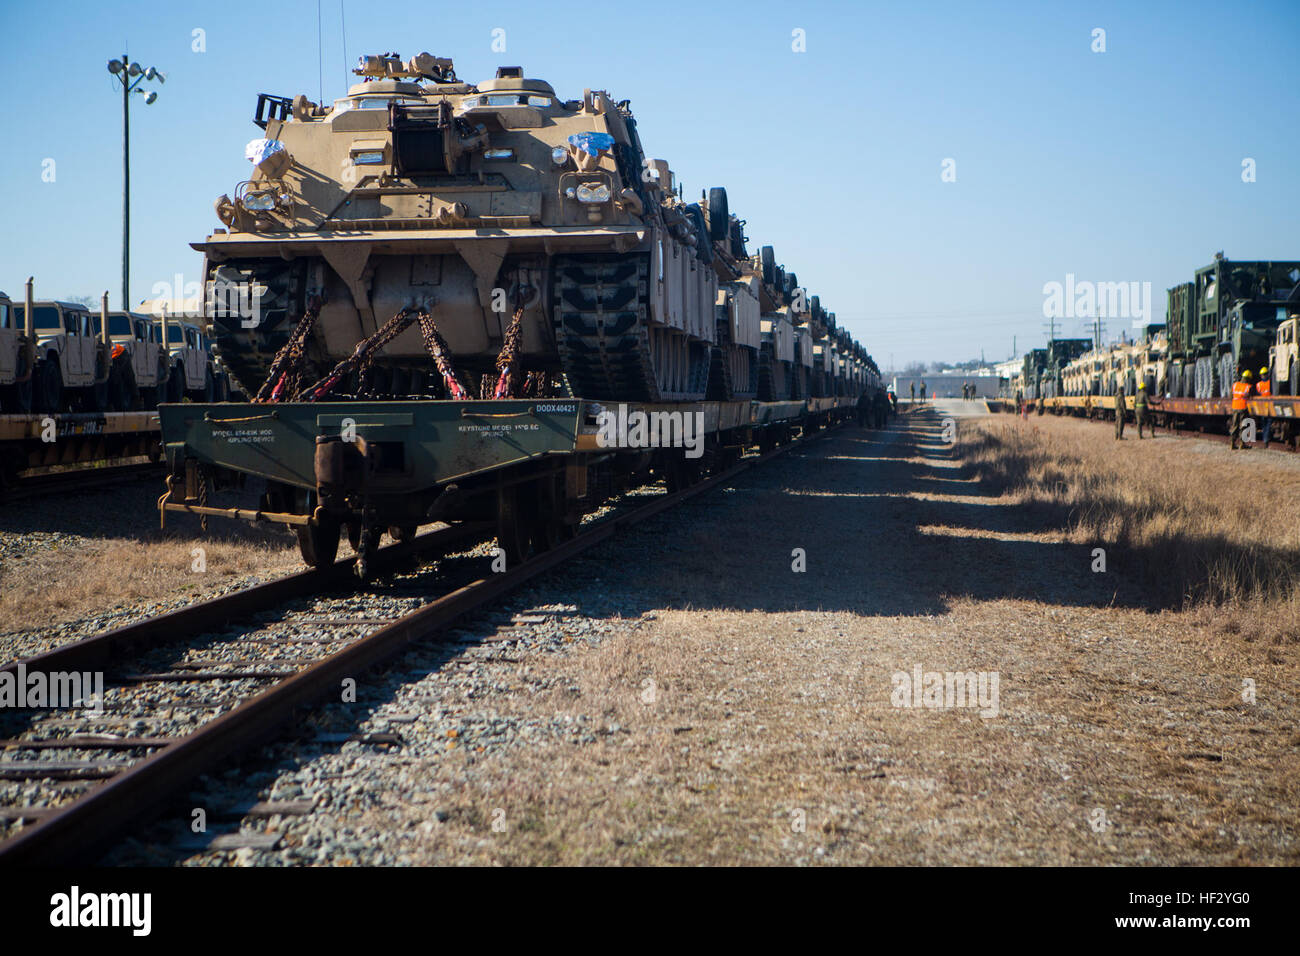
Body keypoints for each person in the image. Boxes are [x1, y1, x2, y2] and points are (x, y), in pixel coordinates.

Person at [1229, 369, 1254, 450]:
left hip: (1234, 407)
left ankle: (1232, 444)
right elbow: (1250, 396)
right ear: (1248, 379)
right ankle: (1242, 444)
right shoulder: (1248, 387)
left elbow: (1230, 396)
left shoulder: (1235, 385)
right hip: (1243, 408)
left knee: (1234, 425)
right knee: (1242, 426)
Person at [1256, 365, 1272, 448]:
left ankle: (1265, 439)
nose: (1264, 376)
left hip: (1263, 406)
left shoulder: (1258, 385)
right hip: (1268, 406)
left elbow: (1258, 394)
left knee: (1265, 423)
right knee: (1267, 423)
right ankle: (1266, 439)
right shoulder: (1270, 383)